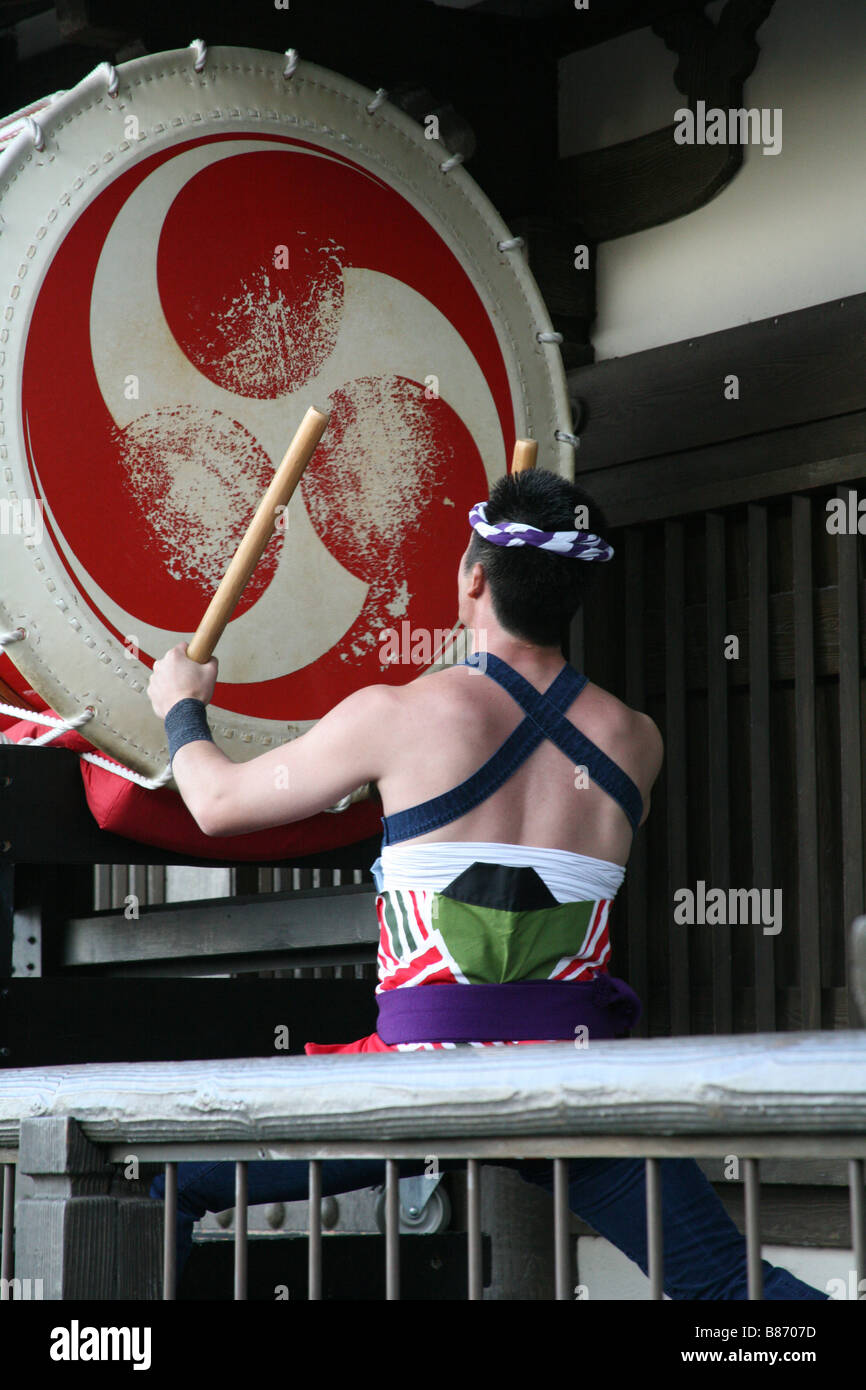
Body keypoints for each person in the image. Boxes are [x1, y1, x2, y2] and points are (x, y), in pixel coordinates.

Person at [147, 468, 827, 1300]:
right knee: (727, 1284)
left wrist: (181, 706)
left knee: (159, 1180)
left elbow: (216, 803)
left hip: (409, 1083)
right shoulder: (636, 740)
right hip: (574, 1088)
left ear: (474, 577)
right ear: (572, 592)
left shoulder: (395, 715)